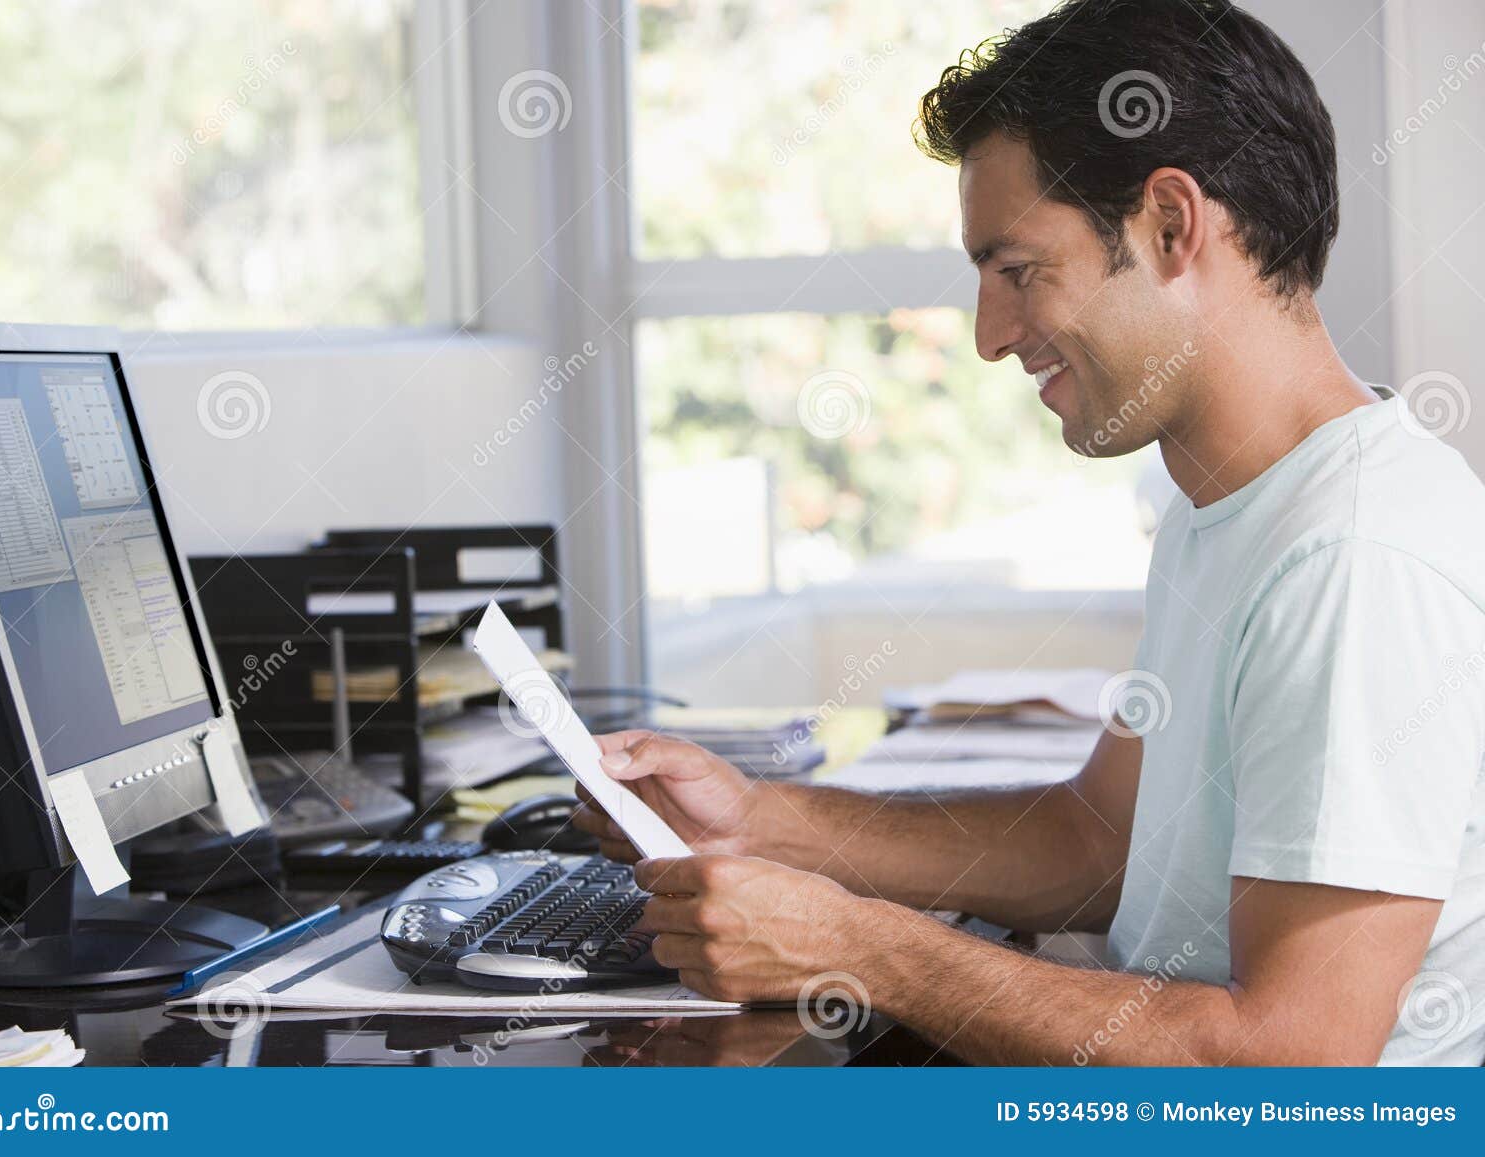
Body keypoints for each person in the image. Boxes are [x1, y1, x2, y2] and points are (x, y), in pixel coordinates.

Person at [574, 0, 1485, 1065]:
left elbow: (1292, 1069)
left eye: (1017, 271)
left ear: (1170, 225)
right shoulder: (1232, 508)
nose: (989, 336)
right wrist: (758, 822)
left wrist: (864, 949)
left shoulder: (1352, 559)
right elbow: (1098, 839)